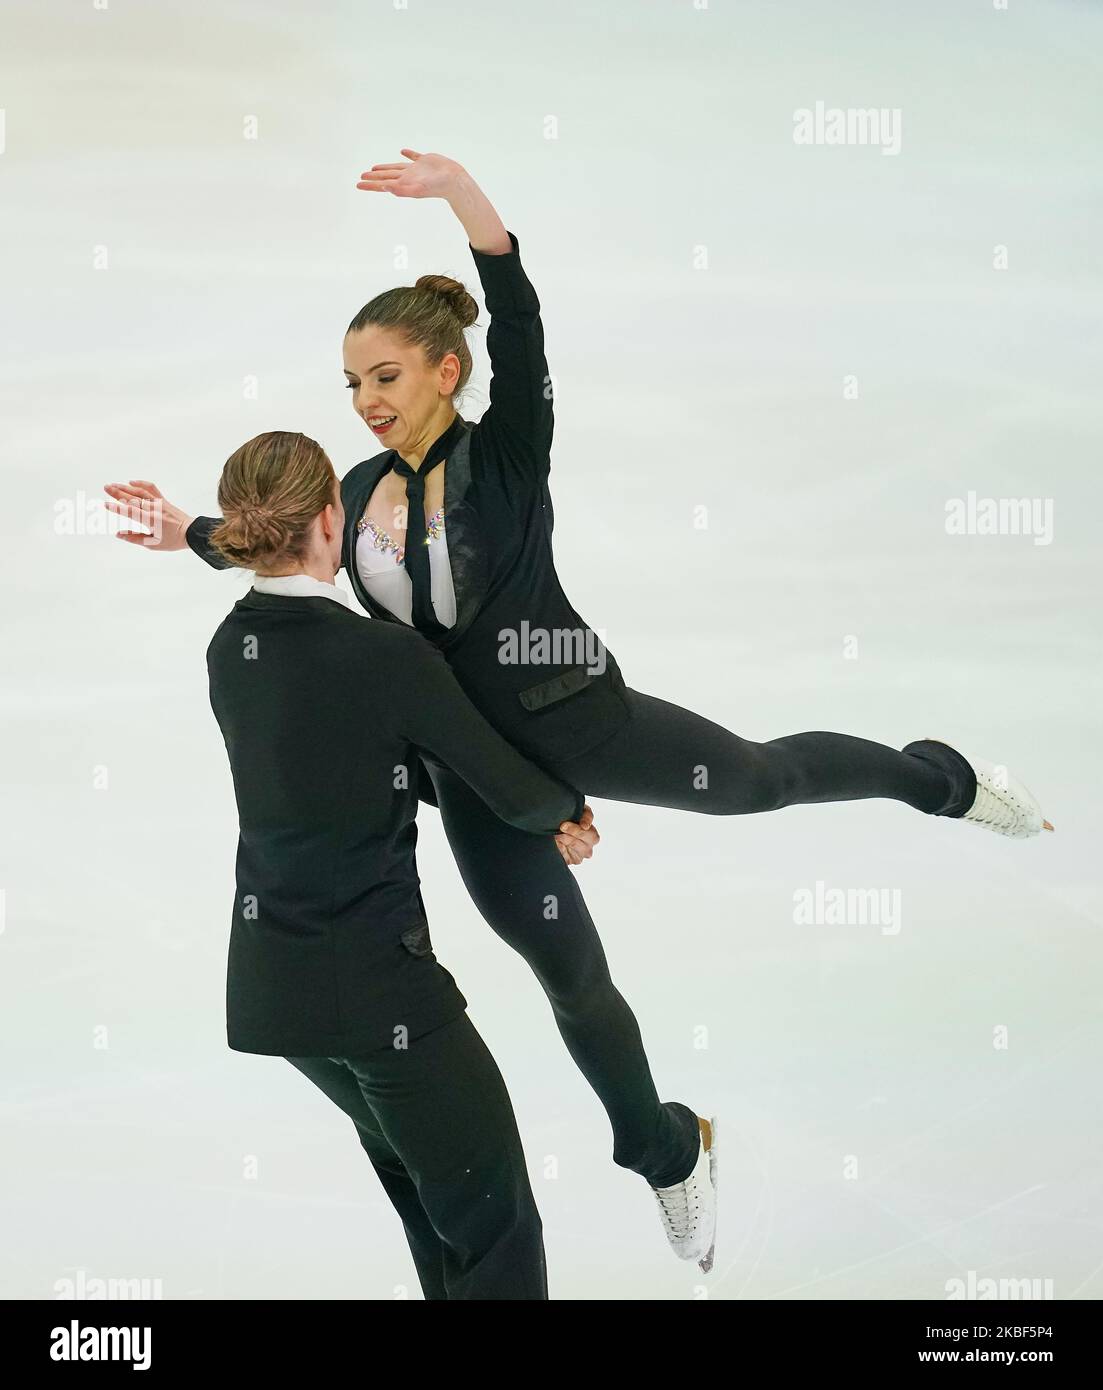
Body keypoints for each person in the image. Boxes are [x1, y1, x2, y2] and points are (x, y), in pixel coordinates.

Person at [104, 148, 1053, 1272]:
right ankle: (666, 1149)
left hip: (580, 716)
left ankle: (937, 777)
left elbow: (523, 323)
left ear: (447, 372)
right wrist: (193, 536)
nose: (364, 402)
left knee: (760, 780)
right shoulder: (350, 496)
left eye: (387, 377)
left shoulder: (506, 453)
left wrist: (469, 207)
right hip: (479, 778)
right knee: (569, 974)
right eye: (351, 382)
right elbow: (277, 541)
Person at [198, 427, 604, 1300]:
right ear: (331, 518)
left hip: (280, 995)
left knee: (434, 1204)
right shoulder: (383, 656)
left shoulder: (233, 648)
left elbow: (346, 762)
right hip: (382, 993)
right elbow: (501, 781)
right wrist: (562, 812)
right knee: (494, 1226)